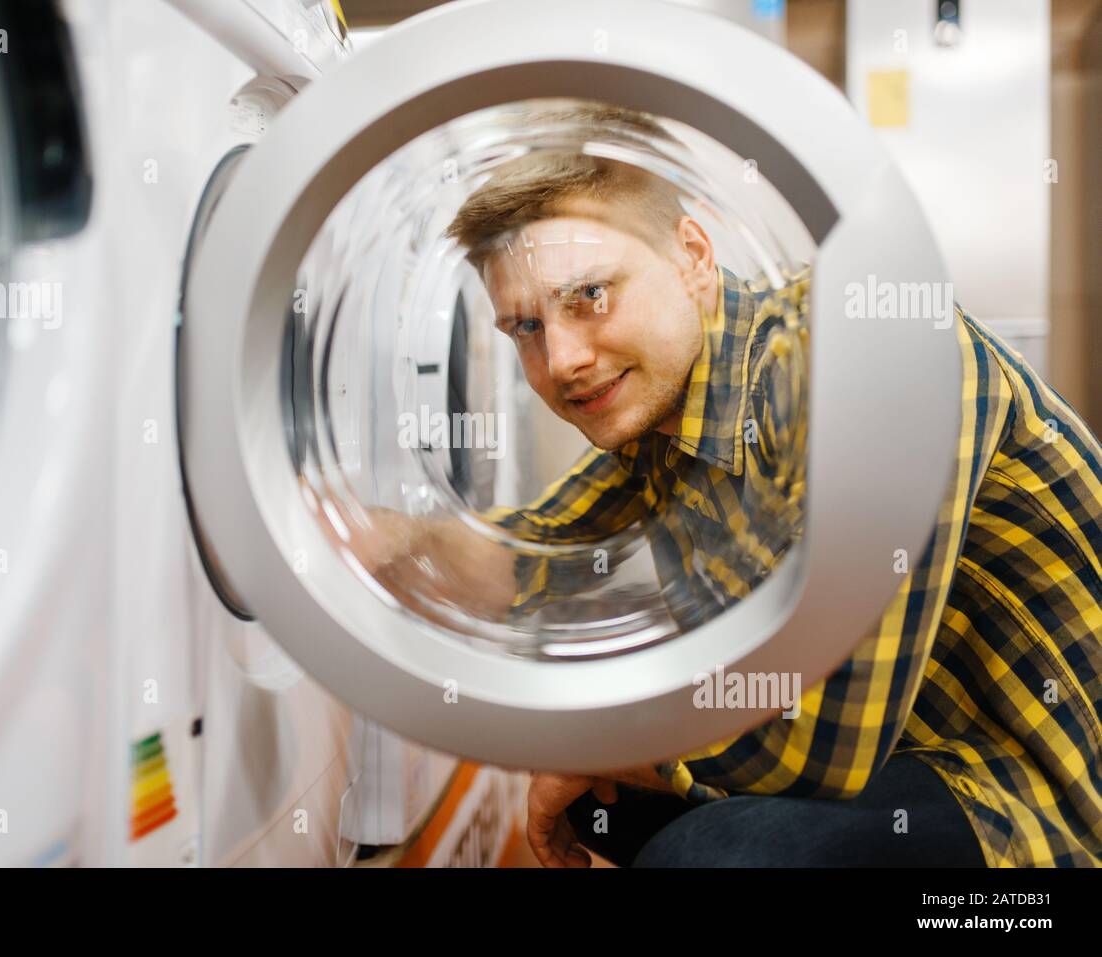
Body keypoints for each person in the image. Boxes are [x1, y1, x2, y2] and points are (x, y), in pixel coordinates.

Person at [356, 103, 1102, 867]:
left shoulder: (875, 360)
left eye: (590, 296)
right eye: (525, 327)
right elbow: (523, 554)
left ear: (693, 256)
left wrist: (602, 744)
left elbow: (819, 750)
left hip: (1033, 791)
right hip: (901, 755)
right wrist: (361, 539)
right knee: (608, 807)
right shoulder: (664, 411)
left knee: (712, 856)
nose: (564, 359)